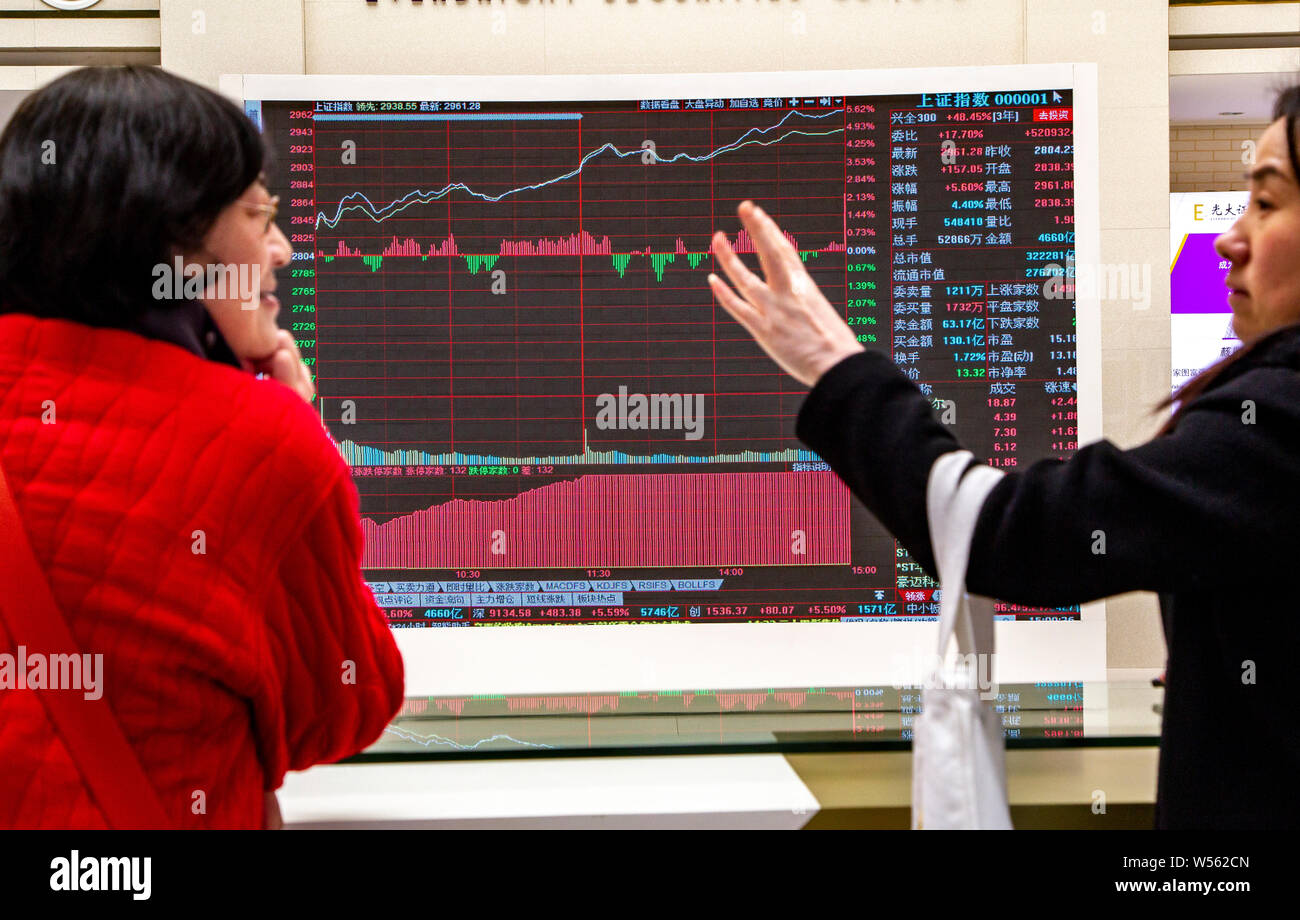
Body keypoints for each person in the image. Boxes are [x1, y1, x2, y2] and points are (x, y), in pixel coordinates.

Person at [705, 85, 1300, 829]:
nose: (1229, 237)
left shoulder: (1278, 422)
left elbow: (1002, 532)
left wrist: (838, 367)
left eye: (1268, 204)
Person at [0, 66, 404, 829]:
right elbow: (341, 714)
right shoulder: (262, 442)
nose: (281, 250)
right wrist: (294, 433)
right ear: (174, 241)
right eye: (258, 216)